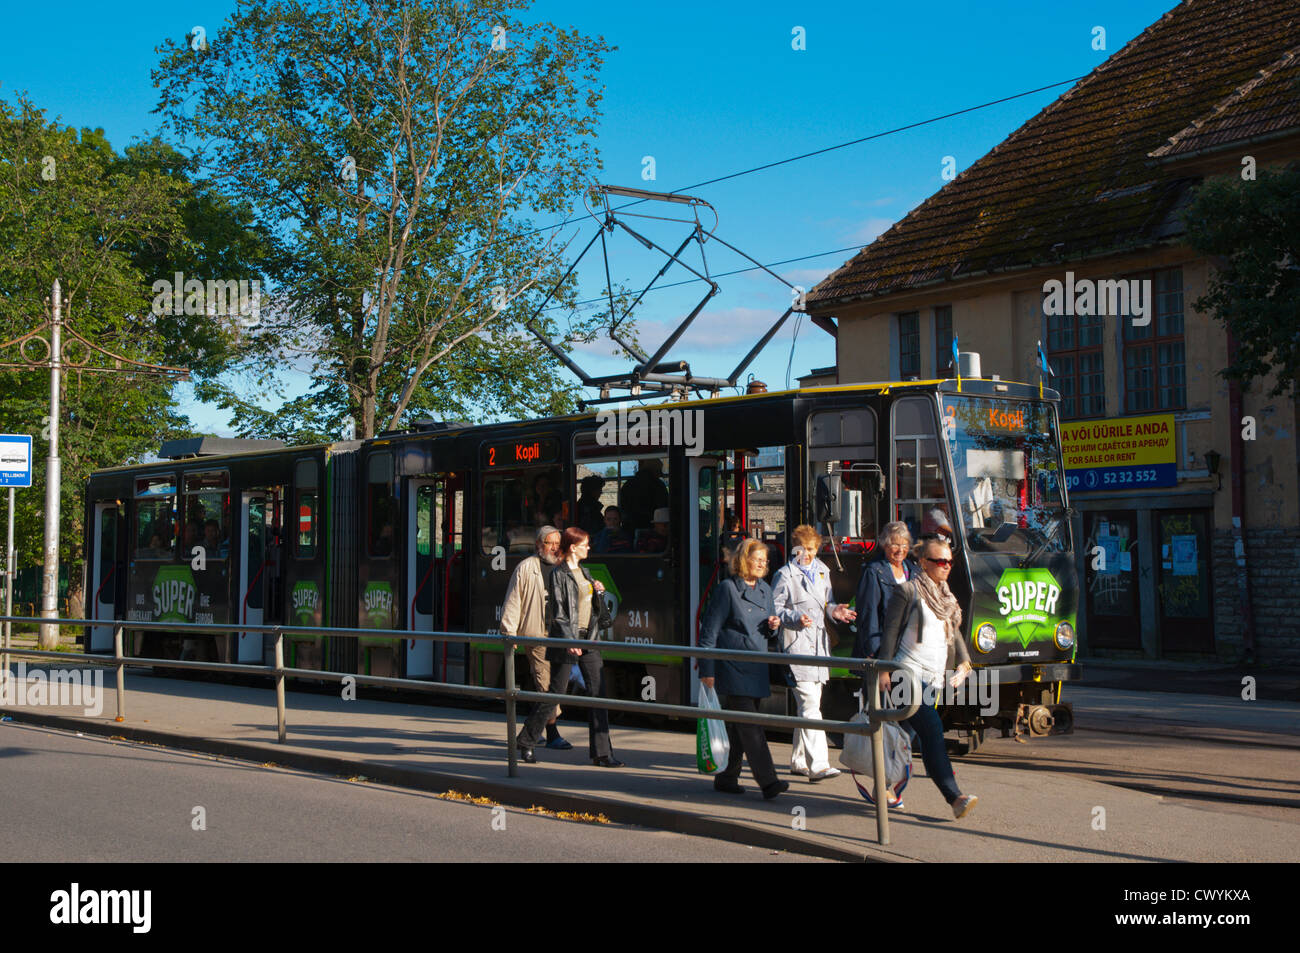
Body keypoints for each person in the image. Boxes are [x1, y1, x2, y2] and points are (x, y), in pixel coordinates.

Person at [875, 536, 978, 820]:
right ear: (923, 562)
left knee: (904, 737)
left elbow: (953, 630)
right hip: (905, 674)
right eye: (939, 561)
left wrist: (965, 661)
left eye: (949, 561)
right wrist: (884, 671)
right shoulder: (907, 591)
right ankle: (954, 797)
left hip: (932, 679)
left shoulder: (945, 594)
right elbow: (890, 633)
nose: (946, 566)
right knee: (932, 729)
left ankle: (886, 789)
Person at [516, 527, 623, 767]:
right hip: (568, 641)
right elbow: (559, 612)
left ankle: (603, 754)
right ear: (573, 547)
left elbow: (591, 610)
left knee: (599, 694)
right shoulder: (558, 574)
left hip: (589, 639)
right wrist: (569, 640)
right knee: (554, 694)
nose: (589, 548)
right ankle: (526, 741)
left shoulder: (585, 572)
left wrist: (598, 593)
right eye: (585, 544)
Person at [698, 537, 788, 799]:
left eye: (765, 560)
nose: (763, 564)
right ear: (744, 560)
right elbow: (709, 632)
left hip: (756, 665)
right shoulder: (727, 589)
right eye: (757, 559)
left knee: (740, 728)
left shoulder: (765, 590)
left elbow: (770, 634)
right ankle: (769, 782)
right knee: (751, 726)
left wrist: (774, 626)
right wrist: (707, 670)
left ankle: (726, 777)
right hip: (732, 666)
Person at [772, 525, 857, 782]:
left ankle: (799, 760)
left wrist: (835, 612)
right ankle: (819, 764)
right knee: (810, 704)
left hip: (818, 646)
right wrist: (795, 616)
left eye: (811, 549)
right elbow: (774, 609)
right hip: (796, 646)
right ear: (794, 548)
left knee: (809, 704)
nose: (806, 554)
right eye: (801, 549)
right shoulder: (784, 575)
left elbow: (826, 605)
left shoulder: (822, 571)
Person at [500, 525, 570, 751]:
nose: (555, 547)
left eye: (558, 543)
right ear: (539, 545)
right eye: (550, 543)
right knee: (546, 685)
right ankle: (551, 734)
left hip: (561, 636)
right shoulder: (527, 567)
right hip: (537, 635)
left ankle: (532, 729)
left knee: (555, 687)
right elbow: (514, 601)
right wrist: (509, 633)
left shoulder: (564, 567)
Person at [853, 521, 919, 659]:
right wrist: (873, 649)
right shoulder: (873, 571)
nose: (900, 550)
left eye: (904, 545)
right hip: (882, 648)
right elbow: (868, 613)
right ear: (885, 545)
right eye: (895, 544)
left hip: (907, 648)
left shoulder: (914, 571)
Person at [619, 458, 668, 532]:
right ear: (655, 471)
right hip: (652, 527)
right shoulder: (658, 485)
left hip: (630, 528)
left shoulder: (628, 485)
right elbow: (663, 508)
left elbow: (623, 509)